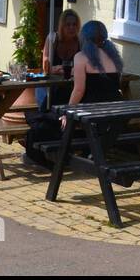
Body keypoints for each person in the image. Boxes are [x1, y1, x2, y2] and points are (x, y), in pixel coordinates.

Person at [23, 20, 123, 167]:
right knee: (48, 115)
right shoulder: (115, 58)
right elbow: (114, 85)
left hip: (90, 108)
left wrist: (68, 111)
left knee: (42, 116)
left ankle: (44, 154)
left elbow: (79, 90)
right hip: (113, 107)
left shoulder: (81, 57)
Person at [35, 9, 80, 111]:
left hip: (69, 86)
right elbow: (45, 66)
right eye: (68, 25)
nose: (72, 28)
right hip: (49, 85)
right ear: (62, 26)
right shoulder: (52, 38)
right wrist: (51, 68)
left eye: (74, 24)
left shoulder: (80, 41)